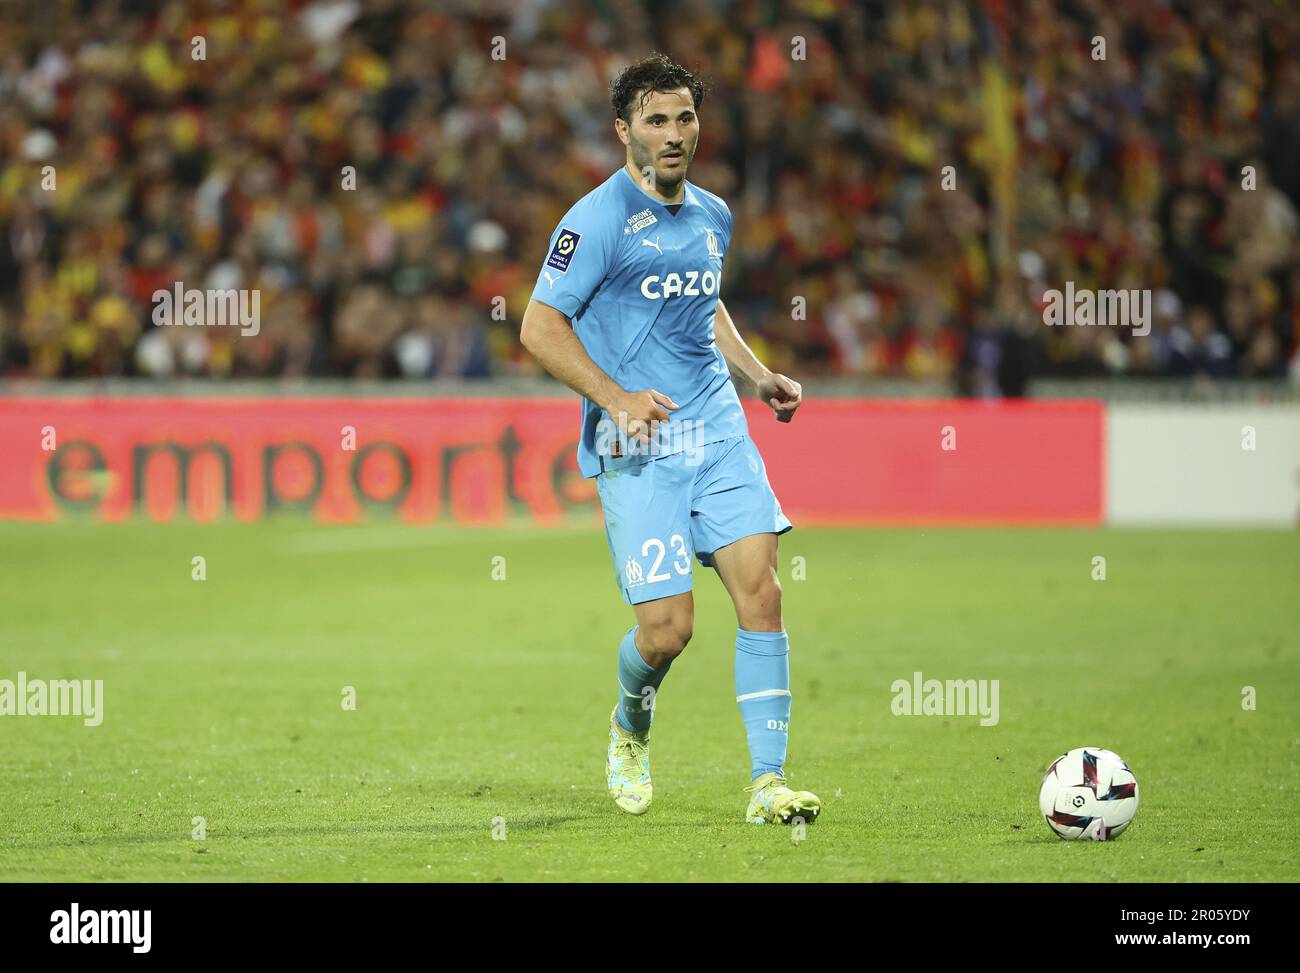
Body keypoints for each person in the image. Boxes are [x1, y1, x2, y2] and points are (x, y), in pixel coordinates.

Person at [520, 53, 820, 825]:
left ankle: (768, 782)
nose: (674, 132)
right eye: (656, 119)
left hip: (716, 429)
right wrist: (615, 398)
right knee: (667, 630)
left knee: (764, 592)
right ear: (624, 131)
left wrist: (757, 375)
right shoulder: (595, 219)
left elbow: (704, 306)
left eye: (684, 116)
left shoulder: (713, 214)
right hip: (641, 445)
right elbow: (538, 326)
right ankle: (630, 724)